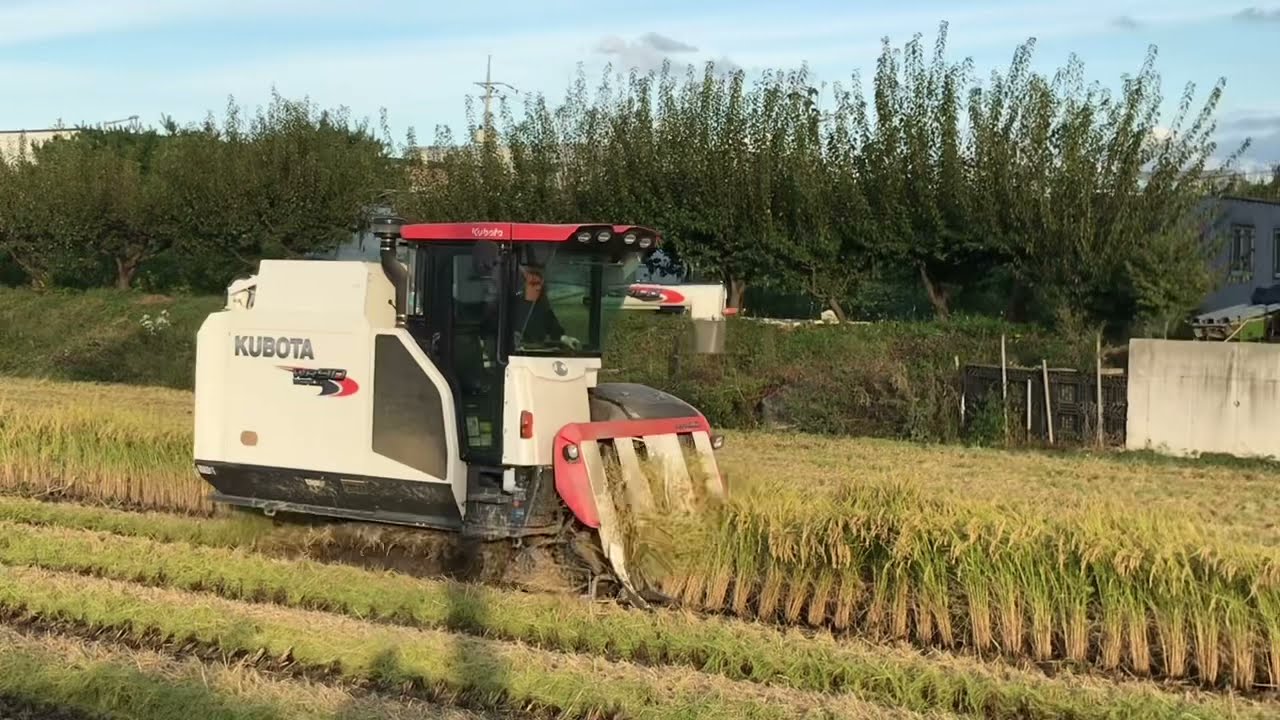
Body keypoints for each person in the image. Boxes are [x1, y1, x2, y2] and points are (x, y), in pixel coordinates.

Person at [513, 264, 580, 350]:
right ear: (522, 287)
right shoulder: (510, 307)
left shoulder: (543, 309)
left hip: (538, 354)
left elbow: (554, 330)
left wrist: (565, 338)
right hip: (516, 356)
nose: (538, 287)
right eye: (533, 284)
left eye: (540, 284)